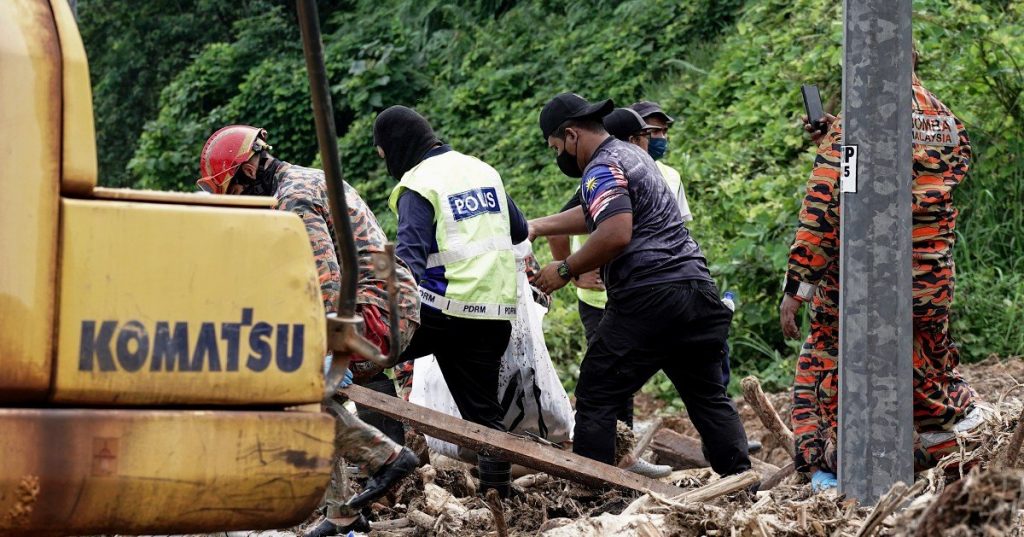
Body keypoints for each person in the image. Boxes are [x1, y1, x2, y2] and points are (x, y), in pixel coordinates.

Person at [196, 125, 421, 536]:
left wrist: (325, 347)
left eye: (234, 191)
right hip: (385, 301)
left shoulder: (293, 199)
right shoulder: (305, 178)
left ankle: (385, 457)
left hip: (376, 313)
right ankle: (342, 514)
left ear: (248, 170)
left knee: (286, 383)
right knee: (303, 383)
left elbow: (326, 281)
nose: (238, 202)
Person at [780, 50, 981, 488]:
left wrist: (799, 286)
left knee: (823, 365)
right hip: (930, 277)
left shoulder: (862, 120)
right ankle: (950, 448)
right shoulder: (944, 120)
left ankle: (827, 470)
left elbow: (827, 203)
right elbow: (912, 172)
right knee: (928, 366)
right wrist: (838, 136)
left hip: (868, 283)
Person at [529, 93, 751, 476]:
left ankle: (593, 496)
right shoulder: (635, 157)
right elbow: (600, 211)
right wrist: (540, 225)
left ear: (571, 134)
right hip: (696, 290)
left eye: (556, 147)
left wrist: (565, 270)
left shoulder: (601, 167)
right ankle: (740, 483)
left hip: (649, 293)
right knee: (708, 397)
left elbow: (615, 231)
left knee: (598, 394)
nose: (558, 156)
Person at [373, 105, 529, 498]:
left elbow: (408, 260)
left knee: (365, 360)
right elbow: (519, 228)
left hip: (439, 310)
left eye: (383, 154)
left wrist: (378, 298)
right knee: (483, 415)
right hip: (492, 312)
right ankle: (499, 493)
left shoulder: (419, 184)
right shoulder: (482, 169)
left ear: (395, 147)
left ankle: (387, 465)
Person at [629, 101, 692, 222]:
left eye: (664, 131)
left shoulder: (672, 176)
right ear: (634, 136)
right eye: (655, 131)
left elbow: (678, 225)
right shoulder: (613, 172)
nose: (662, 138)